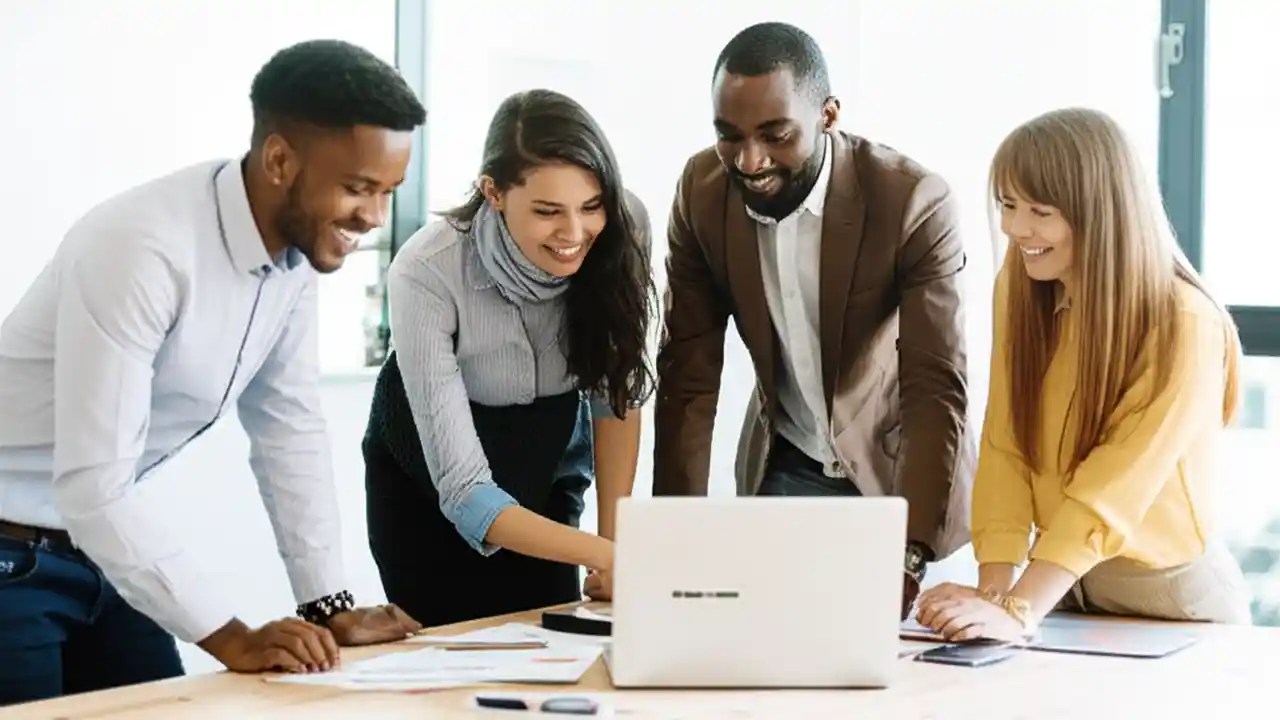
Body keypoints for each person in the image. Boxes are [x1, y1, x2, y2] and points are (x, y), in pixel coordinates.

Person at [0, 40, 427, 705]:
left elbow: (289, 428)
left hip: (98, 553)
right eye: (357, 188)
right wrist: (231, 636)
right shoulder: (143, 249)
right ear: (281, 159)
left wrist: (328, 603)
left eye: (387, 192)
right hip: (11, 556)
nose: (373, 217)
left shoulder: (293, 257)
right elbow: (93, 483)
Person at [652, 21, 976, 616]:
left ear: (827, 115)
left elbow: (935, 388)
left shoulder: (912, 201)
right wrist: (674, 541)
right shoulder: (701, 193)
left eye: (775, 135)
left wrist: (909, 553)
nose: (750, 160)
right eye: (730, 136)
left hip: (900, 477)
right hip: (788, 471)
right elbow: (687, 377)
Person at [916, 108, 1252, 642]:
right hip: (1064, 589)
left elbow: (1113, 490)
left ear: (1101, 213)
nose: (1015, 227)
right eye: (1007, 204)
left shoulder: (1185, 324)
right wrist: (995, 592)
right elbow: (1006, 444)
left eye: (1039, 211)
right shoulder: (1023, 287)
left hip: (1170, 599)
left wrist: (1019, 609)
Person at [362, 88, 654, 628]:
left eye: (591, 206)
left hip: (545, 460)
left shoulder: (622, 227)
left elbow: (615, 396)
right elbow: (466, 493)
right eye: (547, 212)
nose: (573, 234)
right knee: (452, 661)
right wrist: (609, 555)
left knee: (553, 641)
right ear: (493, 192)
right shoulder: (426, 270)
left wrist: (617, 543)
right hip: (429, 481)